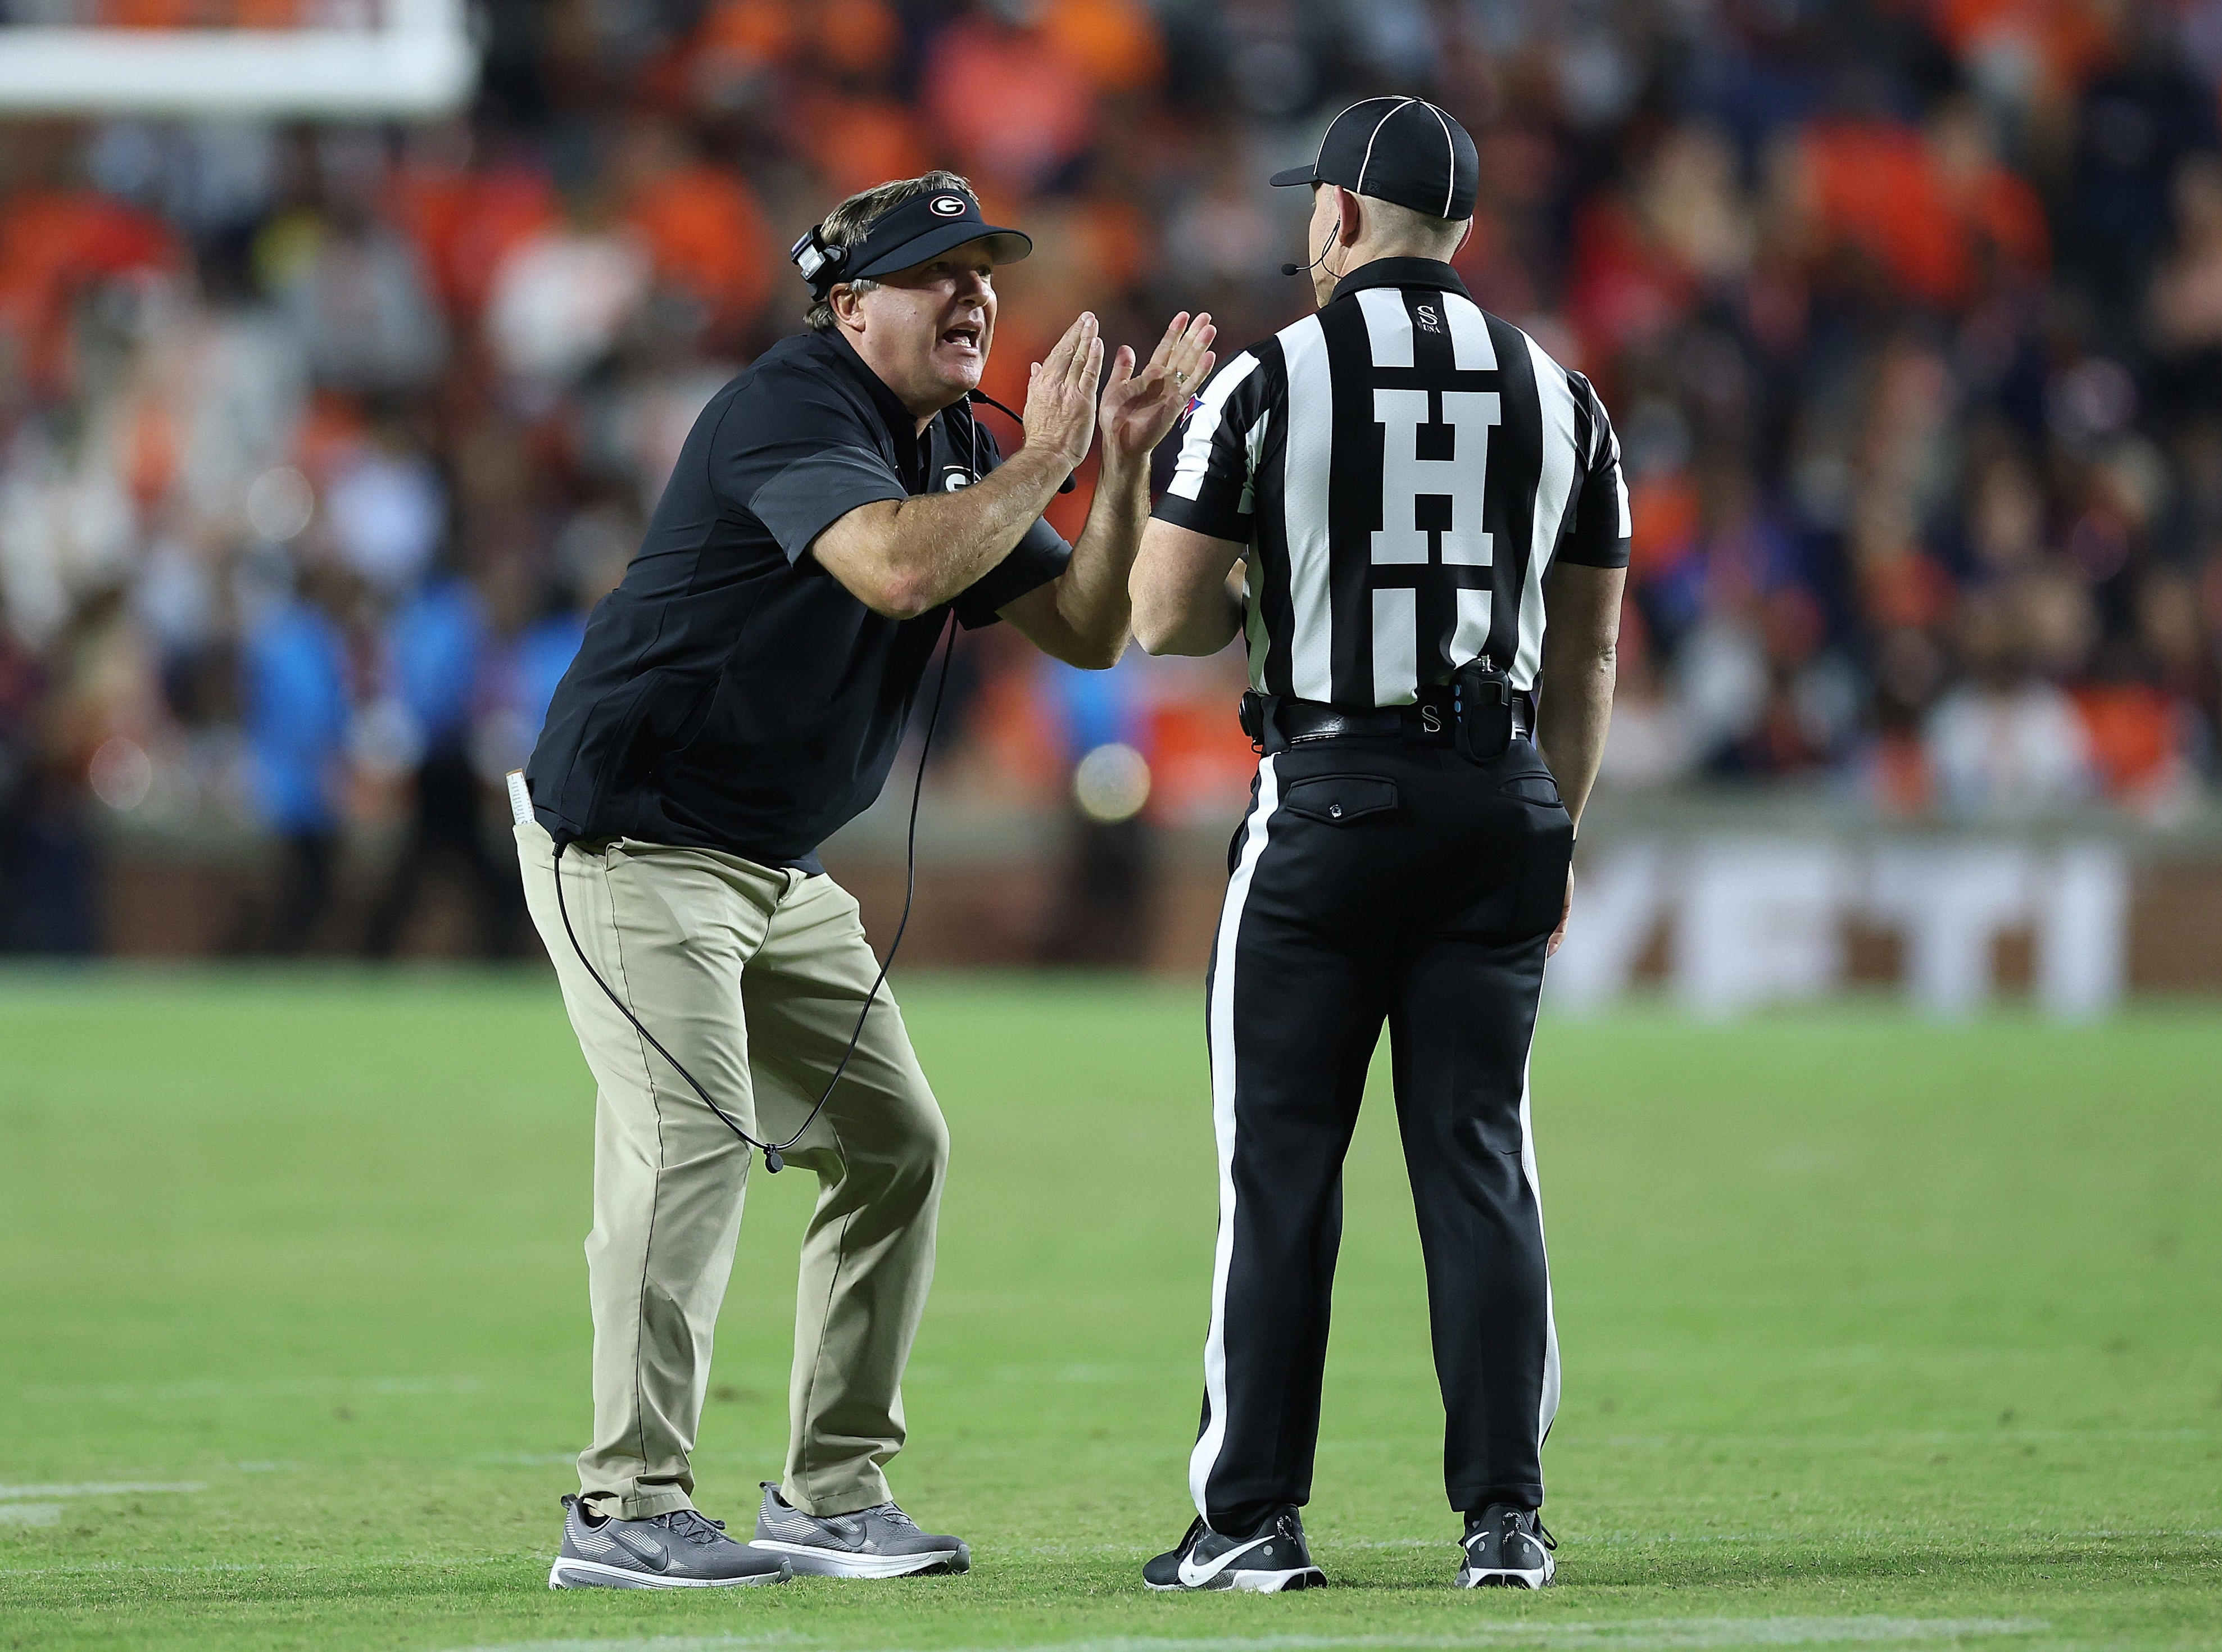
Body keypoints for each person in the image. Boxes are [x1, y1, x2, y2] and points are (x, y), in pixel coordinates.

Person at [516, 170, 1215, 1590]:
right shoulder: (797, 405)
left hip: (774, 864)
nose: (975, 296)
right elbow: (895, 572)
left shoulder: (956, 436)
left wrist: (1123, 464)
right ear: (848, 306)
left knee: (899, 1146)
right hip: (636, 841)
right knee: (697, 1137)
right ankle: (626, 1507)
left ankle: (831, 1494)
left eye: (985, 272)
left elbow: (1087, 631)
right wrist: (1047, 459)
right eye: (936, 274)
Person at [1128, 99, 1629, 1592]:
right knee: (1476, 1160)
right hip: (1497, 804)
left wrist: (1218, 560)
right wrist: (1549, 838)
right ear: (1458, 235)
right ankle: (1502, 1518)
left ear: (1338, 218)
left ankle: (1248, 1521)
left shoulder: (1269, 380)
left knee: (1279, 1166)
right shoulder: (1561, 394)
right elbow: (1591, 660)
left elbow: (1159, 618)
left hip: (1328, 801)